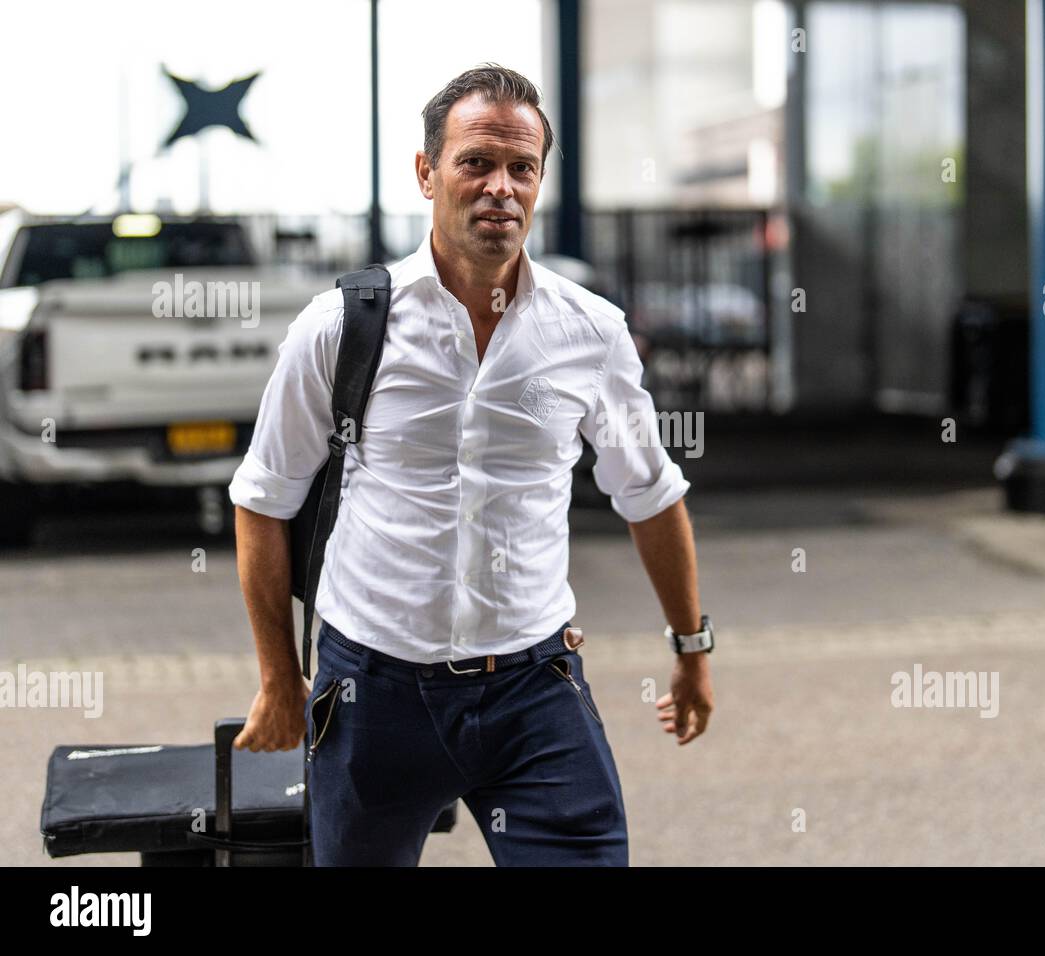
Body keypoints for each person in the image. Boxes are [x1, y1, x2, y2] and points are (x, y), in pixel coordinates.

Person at [227, 63, 714, 866]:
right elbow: (262, 501)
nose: (501, 188)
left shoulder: (590, 332)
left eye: (522, 168)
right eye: (476, 163)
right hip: (371, 693)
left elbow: (651, 495)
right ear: (427, 173)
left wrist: (692, 650)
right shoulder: (340, 327)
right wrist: (282, 680)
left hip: (532, 691)